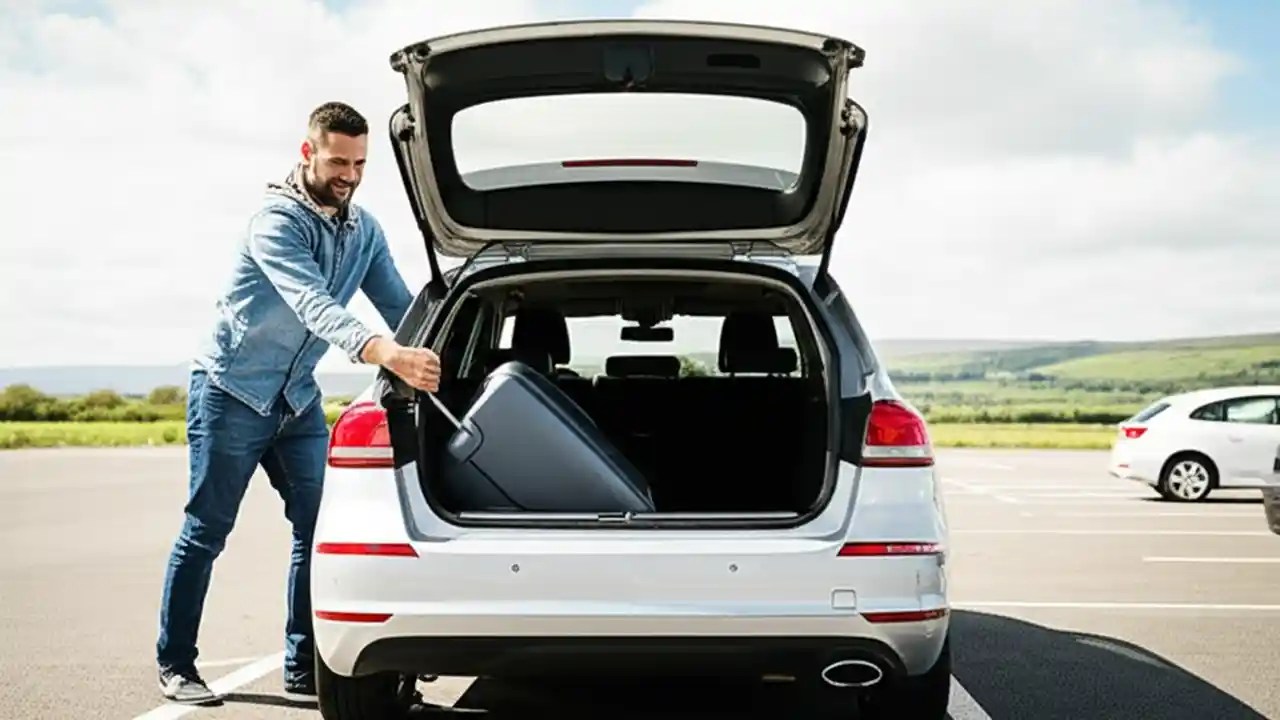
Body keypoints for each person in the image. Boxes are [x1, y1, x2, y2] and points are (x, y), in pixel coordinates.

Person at [154, 101, 441, 705]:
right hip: (231, 392)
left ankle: (301, 663)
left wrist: (452, 347)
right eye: (338, 160)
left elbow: (401, 304)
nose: (350, 174)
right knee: (207, 530)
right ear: (307, 152)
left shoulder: (364, 230)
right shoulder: (275, 222)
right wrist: (386, 355)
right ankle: (176, 663)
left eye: (360, 163)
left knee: (317, 528)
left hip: (296, 401)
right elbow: (313, 303)